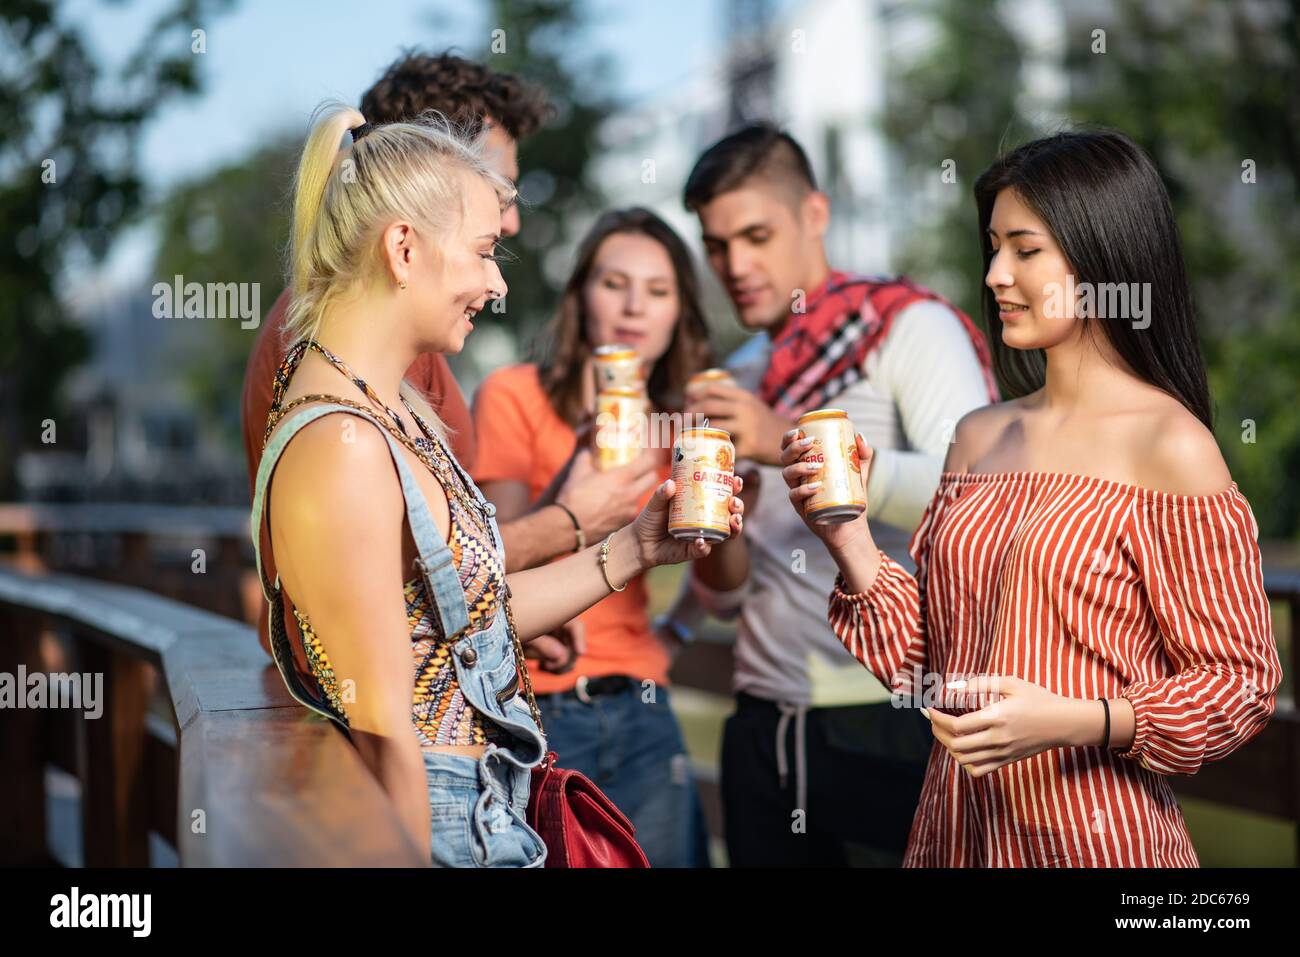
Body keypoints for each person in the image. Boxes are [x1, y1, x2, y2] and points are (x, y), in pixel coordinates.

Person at [251, 104, 745, 866]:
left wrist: (637, 545)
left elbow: (469, 616)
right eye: (484, 252)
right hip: (439, 823)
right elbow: (389, 738)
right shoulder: (340, 443)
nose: (493, 284)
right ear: (404, 249)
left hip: (482, 803)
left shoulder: (390, 411)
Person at [785, 129, 1282, 867]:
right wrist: (847, 534)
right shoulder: (978, 436)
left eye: (1024, 248)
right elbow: (932, 670)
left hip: (1097, 840)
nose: (994, 274)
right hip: (953, 837)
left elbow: (1239, 683)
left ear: (1102, 254)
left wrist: (1076, 719)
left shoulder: (1169, 444)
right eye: (993, 247)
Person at [241, 51, 654, 676]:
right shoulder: (359, 356)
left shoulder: (345, 337)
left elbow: (417, 585)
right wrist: (572, 521)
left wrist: (624, 551)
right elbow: (386, 661)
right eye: (493, 186)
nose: (511, 216)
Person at [660, 123, 999, 866]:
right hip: (762, 717)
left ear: (814, 213)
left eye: (757, 235)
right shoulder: (742, 372)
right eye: (716, 246)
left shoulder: (908, 327)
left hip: (891, 709)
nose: (736, 265)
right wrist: (712, 522)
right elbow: (726, 597)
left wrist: (784, 438)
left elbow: (982, 495)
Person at [471, 207, 717, 867]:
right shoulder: (513, 394)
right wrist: (575, 502)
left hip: (641, 702)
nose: (635, 306)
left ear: (678, 314)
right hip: (538, 710)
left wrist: (679, 629)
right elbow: (492, 571)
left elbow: (725, 577)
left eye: (658, 291)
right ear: (580, 295)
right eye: (614, 283)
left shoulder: (680, 425)